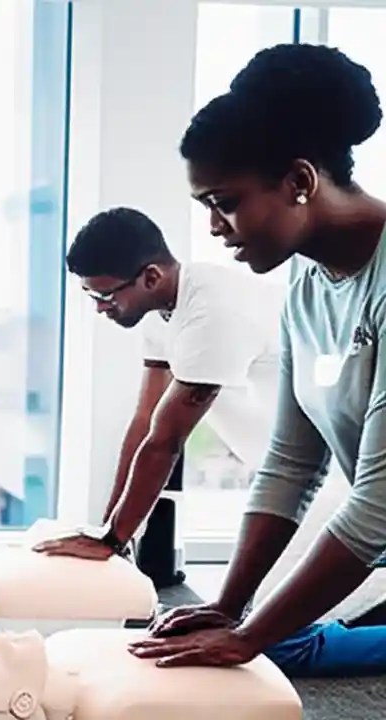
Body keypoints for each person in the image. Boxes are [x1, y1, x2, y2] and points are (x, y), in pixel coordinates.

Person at [130, 43, 386, 677]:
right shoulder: (307, 283)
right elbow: (292, 461)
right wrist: (228, 606)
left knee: (284, 645)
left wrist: (248, 638)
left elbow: (379, 501)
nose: (216, 226)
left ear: (299, 182)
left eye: (225, 201)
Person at [32, 208, 285, 571]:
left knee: (274, 619)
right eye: (92, 297)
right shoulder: (160, 310)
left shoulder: (212, 312)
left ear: (151, 276)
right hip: (281, 474)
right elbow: (145, 420)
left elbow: (166, 440)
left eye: (106, 296)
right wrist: (108, 532)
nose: (101, 308)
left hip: (334, 481)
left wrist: (114, 539)